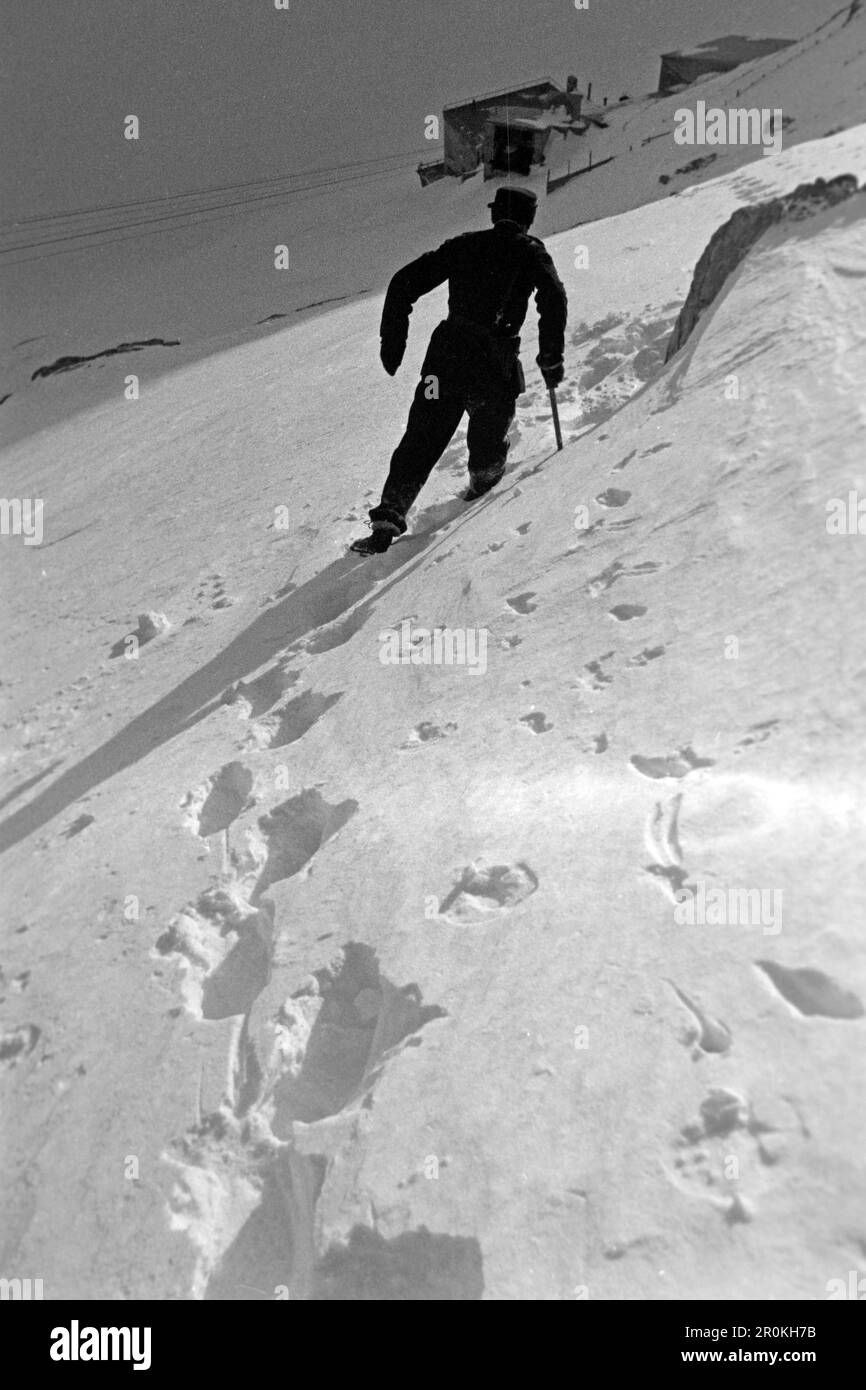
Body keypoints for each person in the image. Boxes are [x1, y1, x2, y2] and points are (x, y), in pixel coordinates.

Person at [351, 185, 567, 554]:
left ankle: (388, 519)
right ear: (529, 218)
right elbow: (554, 299)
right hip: (493, 365)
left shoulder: (464, 245)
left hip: (444, 360)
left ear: (494, 213)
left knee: (422, 435)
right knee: (488, 442)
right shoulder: (530, 251)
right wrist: (551, 357)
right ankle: (481, 498)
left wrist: (393, 345)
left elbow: (403, 283)